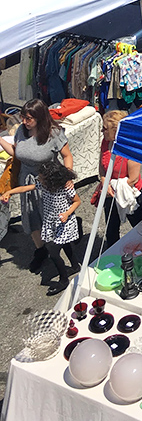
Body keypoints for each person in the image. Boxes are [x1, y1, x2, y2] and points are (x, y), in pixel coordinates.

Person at [0, 99, 73, 273]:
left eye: (29, 118)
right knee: (32, 217)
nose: (24, 122)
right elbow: (17, 152)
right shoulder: (21, 131)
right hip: (27, 181)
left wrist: (67, 175)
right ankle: (41, 251)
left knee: (52, 217)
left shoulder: (53, 133)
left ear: (40, 117)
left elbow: (67, 156)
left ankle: (62, 251)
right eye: (23, 117)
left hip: (48, 182)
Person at [1, 159, 80, 295]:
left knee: (53, 251)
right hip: (52, 222)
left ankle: (63, 280)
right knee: (65, 244)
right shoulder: (43, 185)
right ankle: (74, 266)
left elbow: (77, 201)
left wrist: (67, 213)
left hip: (63, 223)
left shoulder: (65, 188)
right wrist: (10, 192)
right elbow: (25, 188)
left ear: (51, 179)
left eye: (41, 177)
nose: (39, 178)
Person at [98, 111, 142, 250]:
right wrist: (104, 182)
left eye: (105, 129)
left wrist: (114, 187)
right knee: (111, 229)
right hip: (110, 191)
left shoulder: (130, 147)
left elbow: (133, 178)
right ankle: (114, 254)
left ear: (116, 130)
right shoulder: (105, 142)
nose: (102, 131)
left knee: (138, 224)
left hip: (129, 192)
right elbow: (101, 167)